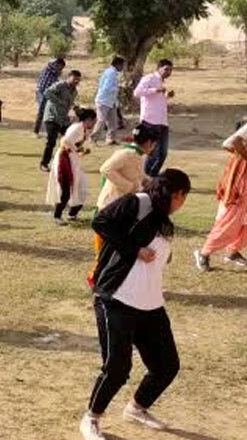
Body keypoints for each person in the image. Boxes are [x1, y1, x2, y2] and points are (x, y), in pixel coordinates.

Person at [80, 169, 190, 440]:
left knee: (167, 365)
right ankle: (91, 418)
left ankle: (136, 408)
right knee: (117, 368)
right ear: (173, 193)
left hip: (150, 303)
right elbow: (101, 221)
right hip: (117, 299)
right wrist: (135, 248)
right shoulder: (137, 203)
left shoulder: (164, 219)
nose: (182, 203)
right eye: (182, 196)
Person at [193, 120, 247, 271]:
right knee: (230, 222)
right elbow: (230, 143)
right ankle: (204, 253)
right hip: (240, 184)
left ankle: (233, 252)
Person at [46, 109, 98, 225]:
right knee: (65, 189)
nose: (94, 124)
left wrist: (81, 151)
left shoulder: (83, 129)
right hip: (64, 160)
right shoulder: (76, 128)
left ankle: (72, 214)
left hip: (73, 160)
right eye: (93, 121)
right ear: (88, 120)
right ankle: (57, 216)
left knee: (81, 187)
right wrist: (76, 150)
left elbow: (74, 144)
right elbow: (65, 141)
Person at [96, 125, 158, 213]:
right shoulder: (126, 153)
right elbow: (106, 169)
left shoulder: (140, 154)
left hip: (124, 203)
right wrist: (129, 186)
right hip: (111, 203)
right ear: (149, 142)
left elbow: (137, 173)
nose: (154, 148)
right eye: (154, 145)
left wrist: (149, 181)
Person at [134, 59, 175, 176]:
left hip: (162, 121)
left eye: (170, 70)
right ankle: (146, 176)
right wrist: (156, 90)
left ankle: (150, 176)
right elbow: (137, 93)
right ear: (158, 68)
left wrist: (167, 96)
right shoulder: (149, 78)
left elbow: (157, 100)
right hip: (150, 121)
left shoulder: (161, 82)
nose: (168, 72)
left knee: (162, 153)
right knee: (153, 152)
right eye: (166, 69)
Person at [40, 70, 81, 172]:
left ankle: (67, 163)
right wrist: (59, 102)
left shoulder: (75, 91)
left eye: (78, 80)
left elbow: (69, 103)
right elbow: (47, 93)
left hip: (63, 119)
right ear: (69, 77)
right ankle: (44, 164)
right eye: (74, 79)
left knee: (71, 140)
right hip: (52, 117)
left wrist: (75, 108)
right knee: (51, 141)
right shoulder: (60, 85)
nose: (76, 81)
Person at [92, 57, 125, 145]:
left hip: (111, 101)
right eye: (122, 65)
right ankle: (93, 138)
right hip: (103, 101)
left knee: (113, 122)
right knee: (101, 121)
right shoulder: (111, 73)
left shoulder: (112, 72)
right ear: (117, 64)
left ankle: (110, 139)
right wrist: (118, 87)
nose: (123, 67)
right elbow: (106, 87)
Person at [34, 58, 65, 136]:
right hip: (40, 92)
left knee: (49, 111)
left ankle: (50, 131)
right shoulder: (48, 69)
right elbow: (50, 64)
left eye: (61, 68)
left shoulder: (56, 74)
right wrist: (56, 62)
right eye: (60, 67)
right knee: (42, 110)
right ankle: (36, 132)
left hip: (48, 94)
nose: (60, 69)